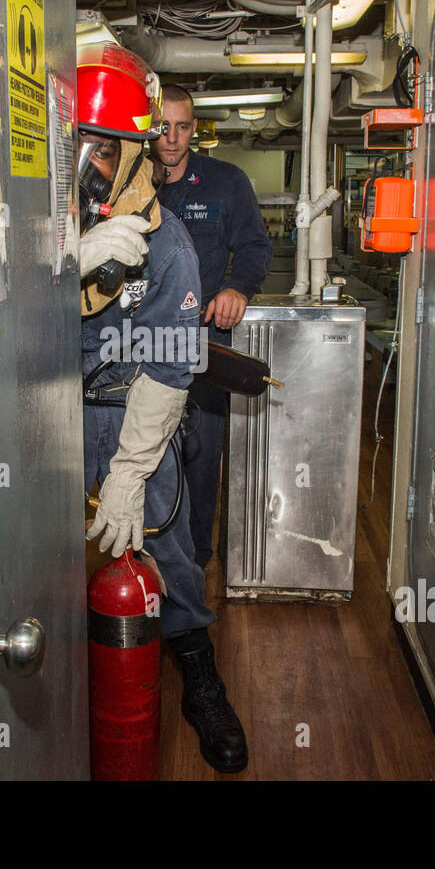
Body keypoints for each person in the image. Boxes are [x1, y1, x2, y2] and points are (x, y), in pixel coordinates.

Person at [76, 43, 248, 774]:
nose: (89, 166)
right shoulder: (29, 231)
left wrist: (127, 470)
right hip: (41, 414)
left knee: (167, 552)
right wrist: (65, 265)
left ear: (134, 153)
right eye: (77, 148)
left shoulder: (166, 242)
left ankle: (198, 673)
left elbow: (174, 368)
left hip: (133, 413)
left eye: (103, 152)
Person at [151, 84, 273, 569]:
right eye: (164, 128)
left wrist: (237, 287)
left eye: (183, 128)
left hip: (203, 347)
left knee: (200, 464)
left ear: (194, 129)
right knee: (147, 463)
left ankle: (195, 566)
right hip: (142, 348)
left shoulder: (227, 181)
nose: (173, 139)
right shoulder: (127, 181)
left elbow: (254, 247)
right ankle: (150, 563)